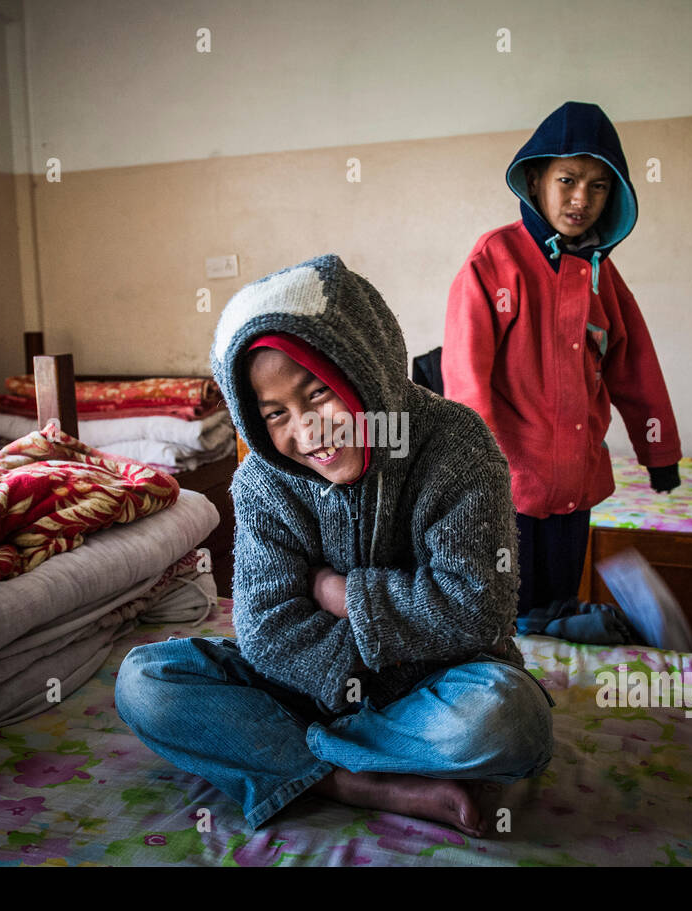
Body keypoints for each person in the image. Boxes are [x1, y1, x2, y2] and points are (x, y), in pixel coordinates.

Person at [114, 253, 554, 838]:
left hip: (440, 685)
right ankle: (355, 780)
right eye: (274, 413)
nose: (307, 431)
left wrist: (339, 592)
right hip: (305, 688)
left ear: (364, 365)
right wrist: (361, 675)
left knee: (506, 723)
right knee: (144, 683)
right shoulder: (263, 481)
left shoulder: (456, 445)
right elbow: (267, 630)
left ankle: (291, 758)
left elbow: (476, 610)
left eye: (318, 392)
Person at [443, 101, 684, 627]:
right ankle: (507, 703)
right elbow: (466, 378)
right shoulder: (496, 260)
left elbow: (635, 364)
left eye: (599, 185)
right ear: (535, 181)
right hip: (509, 486)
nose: (582, 198)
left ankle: (555, 704)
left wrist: (658, 451)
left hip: (576, 486)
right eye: (568, 180)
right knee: (507, 618)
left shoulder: (602, 274)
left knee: (556, 614)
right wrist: (473, 472)